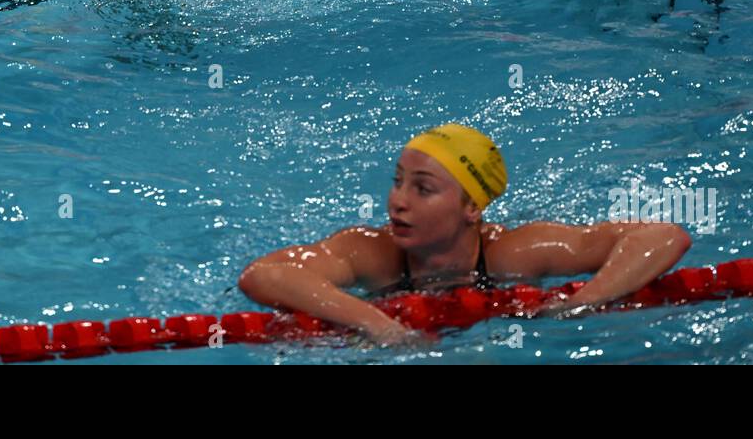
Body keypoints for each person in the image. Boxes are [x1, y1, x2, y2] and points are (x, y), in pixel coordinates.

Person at [239, 124, 691, 344]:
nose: (398, 201)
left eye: (423, 189)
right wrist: (375, 322)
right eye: (398, 181)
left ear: (471, 207)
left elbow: (664, 235)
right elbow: (263, 275)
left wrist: (583, 301)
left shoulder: (514, 252)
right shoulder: (371, 251)